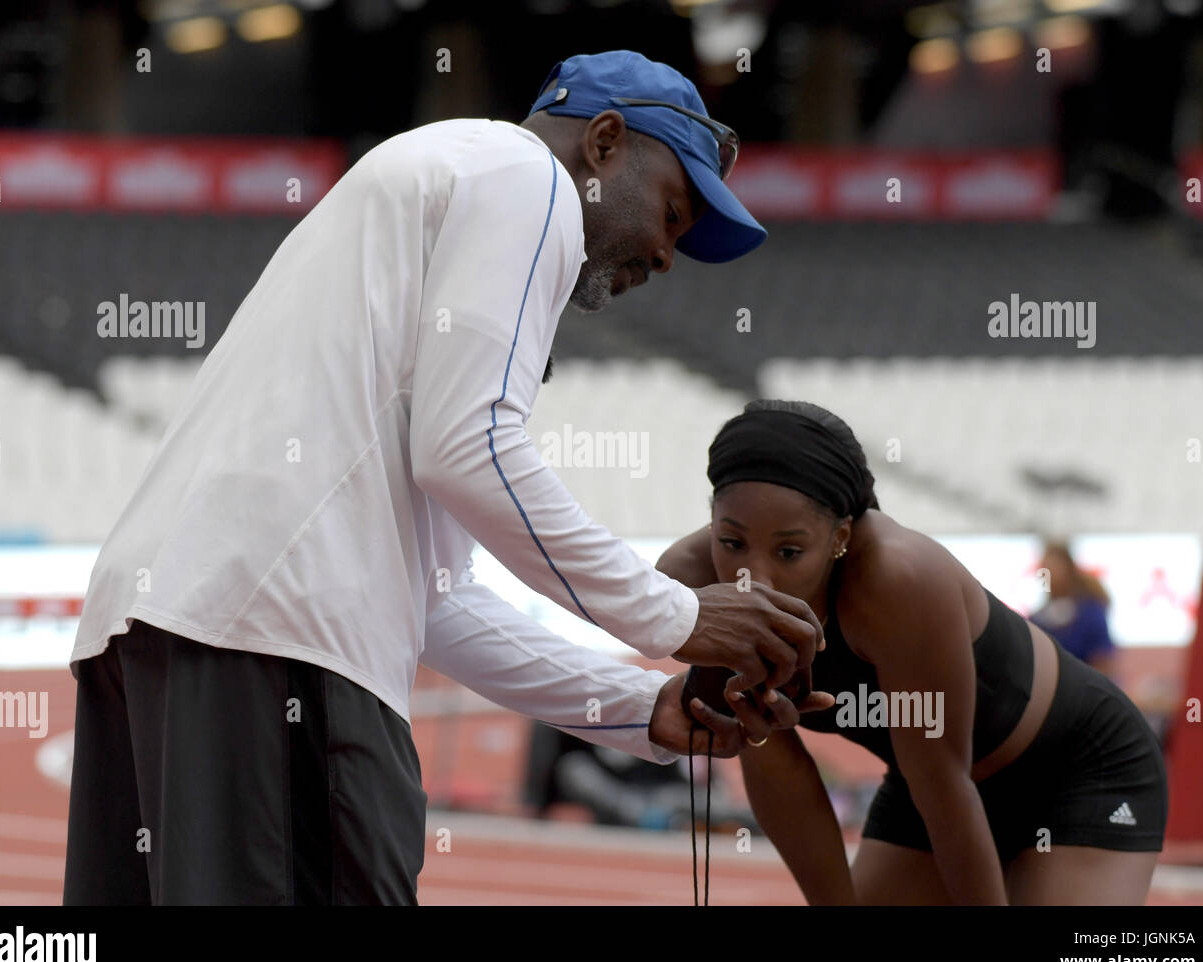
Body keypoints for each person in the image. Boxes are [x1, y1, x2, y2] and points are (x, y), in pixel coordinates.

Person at [61, 51, 829, 906]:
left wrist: (639, 705)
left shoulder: (436, 193)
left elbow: (438, 596)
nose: (664, 255)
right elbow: (468, 447)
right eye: (673, 213)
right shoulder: (527, 180)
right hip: (277, 655)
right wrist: (677, 616)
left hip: (162, 632)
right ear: (606, 143)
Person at [657, 399, 1168, 905]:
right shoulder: (694, 585)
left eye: (789, 552)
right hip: (926, 788)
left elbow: (945, 786)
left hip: (1074, 770)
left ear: (839, 538)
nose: (756, 582)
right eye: (731, 543)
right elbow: (772, 760)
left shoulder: (897, 579)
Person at [1031, 540, 1116, 675]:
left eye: (1053, 569)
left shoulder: (1090, 613)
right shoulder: (1037, 619)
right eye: (1043, 571)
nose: (1047, 576)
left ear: (1068, 570)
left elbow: (1103, 661)